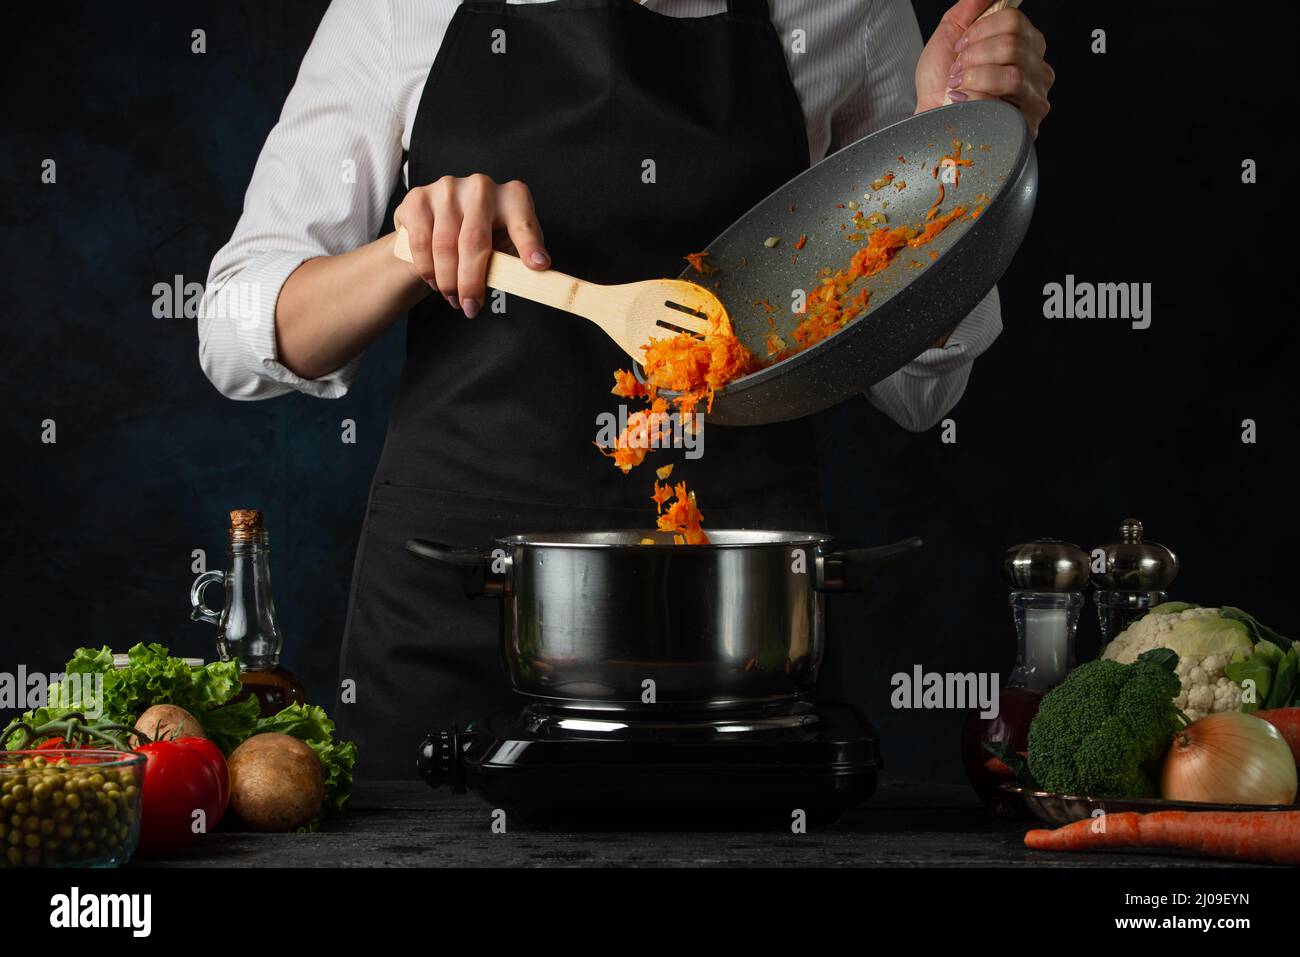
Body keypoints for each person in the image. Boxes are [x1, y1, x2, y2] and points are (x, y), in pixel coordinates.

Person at [198, 0, 1053, 778]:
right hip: (456, 604)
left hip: (732, 635)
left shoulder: (842, 12)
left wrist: (956, 158)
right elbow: (233, 329)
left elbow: (919, 394)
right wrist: (402, 254)